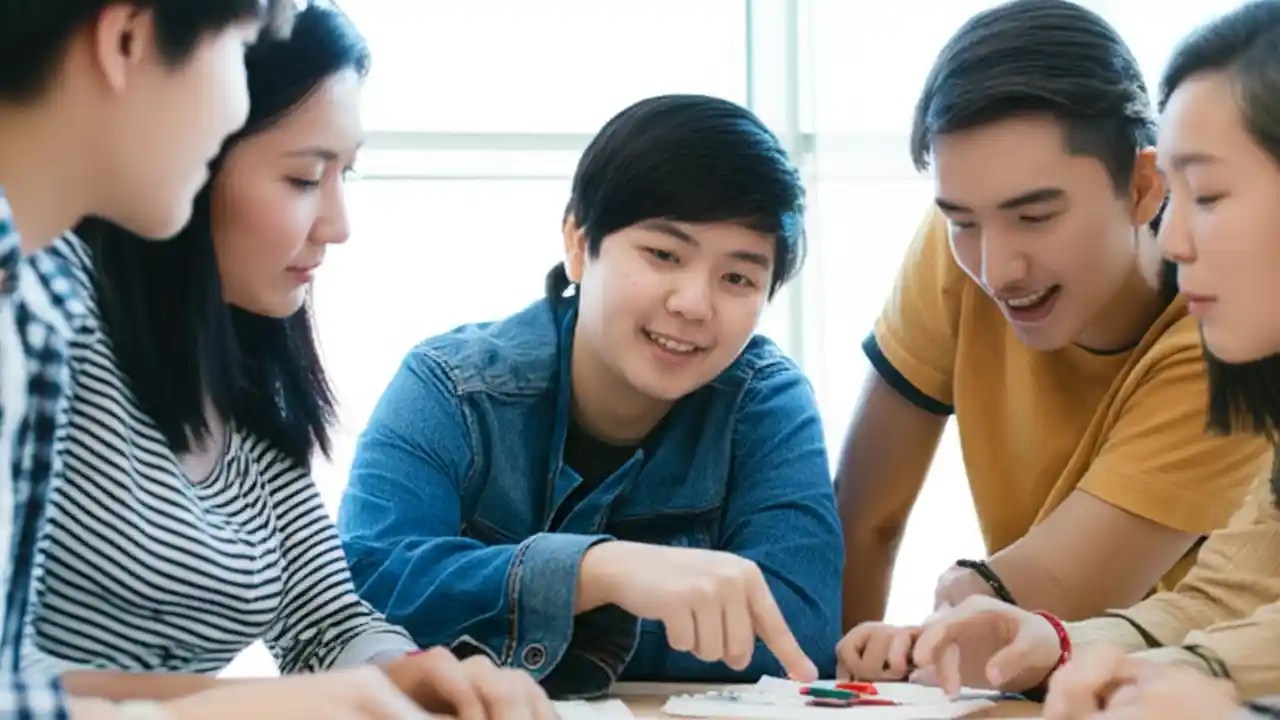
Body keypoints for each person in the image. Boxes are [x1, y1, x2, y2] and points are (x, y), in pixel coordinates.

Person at [21, 4, 553, 719]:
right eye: (305, 178)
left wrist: (411, 673)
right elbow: (11, 674)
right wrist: (262, 704)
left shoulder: (244, 376)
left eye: (346, 177)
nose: (337, 225)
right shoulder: (47, 301)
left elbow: (326, 621)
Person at [846, 2, 1280, 718]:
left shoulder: (1209, 347)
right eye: (962, 222)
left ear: (1142, 189)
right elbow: (1231, 606)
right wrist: (1061, 646)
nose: (1176, 243)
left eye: (1206, 194)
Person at [337, 94, 843, 697]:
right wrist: (595, 572)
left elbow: (800, 636)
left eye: (737, 278)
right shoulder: (452, 387)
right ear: (579, 243)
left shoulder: (765, 402)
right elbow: (358, 594)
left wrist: (555, 610)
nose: (693, 303)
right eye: (663, 254)